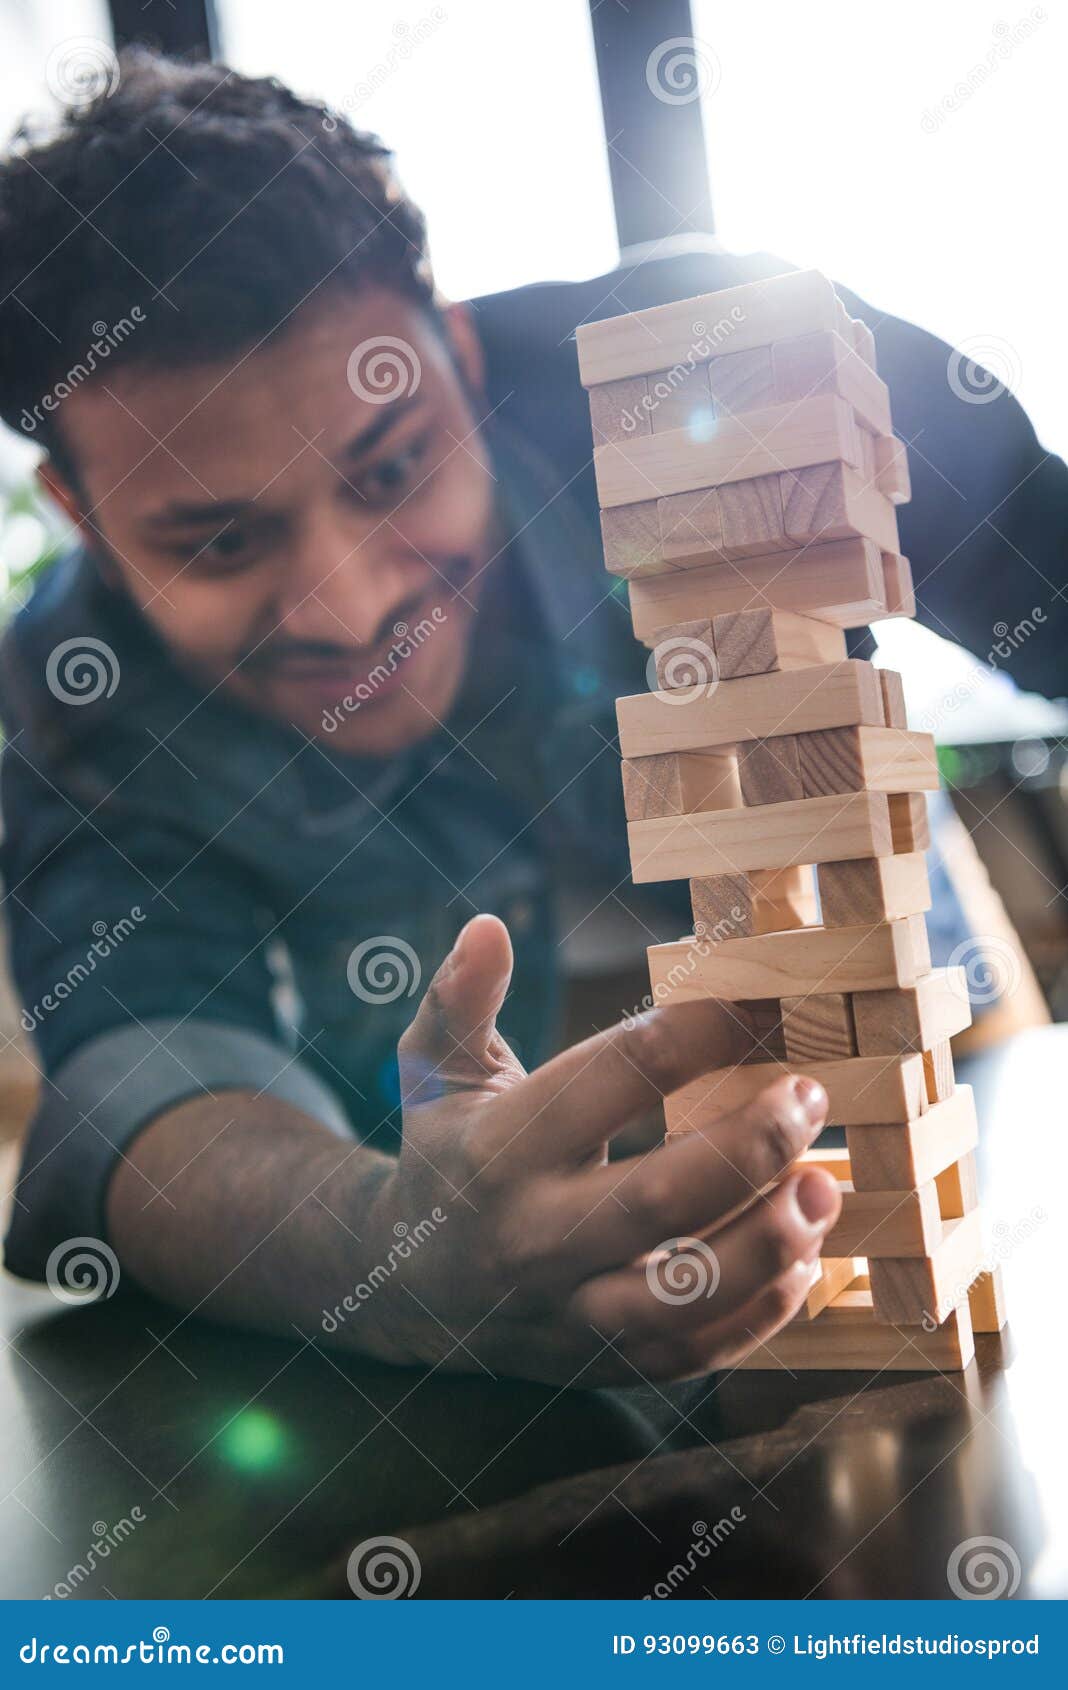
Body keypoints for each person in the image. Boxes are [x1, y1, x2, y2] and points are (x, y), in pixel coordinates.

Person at [0, 52, 1064, 1383]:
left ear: (452, 349)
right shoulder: (71, 705)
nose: (349, 607)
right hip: (454, 1238)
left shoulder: (725, 364)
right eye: (219, 542)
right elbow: (145, 1074)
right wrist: (386, 1250)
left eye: (394, 466)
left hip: (932, 1057)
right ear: (82, 515)